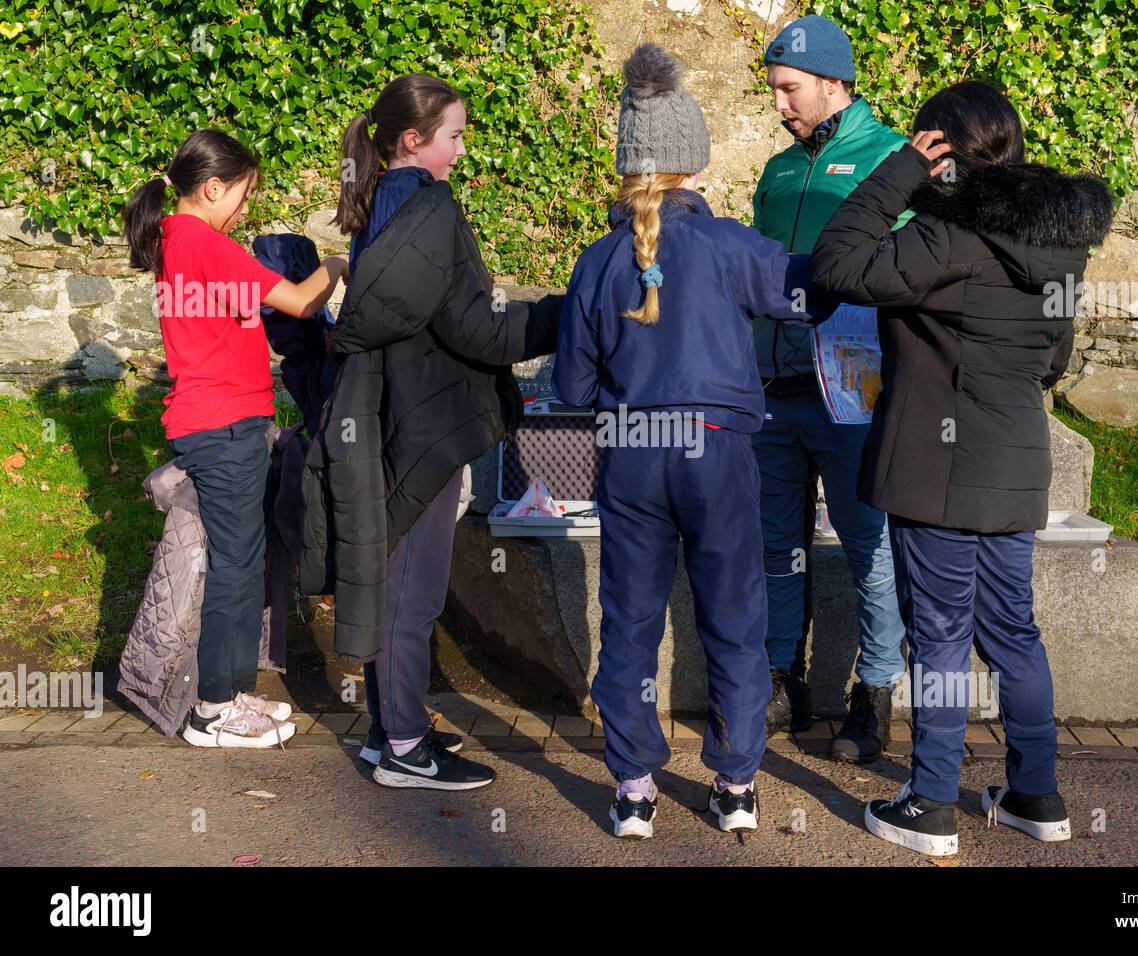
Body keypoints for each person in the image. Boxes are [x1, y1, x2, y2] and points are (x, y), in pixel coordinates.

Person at [809, 81, 1114, 855]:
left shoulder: (945, 241)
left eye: (921, 144)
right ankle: (1035, 796)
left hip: (935, 469)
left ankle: (933, 804)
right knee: (1014, 630)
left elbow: (838, 264)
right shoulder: (1058, 247)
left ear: (938, 151)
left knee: (940, 633)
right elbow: (1053, 358)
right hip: (1015, 463)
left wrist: (897, 175)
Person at [553, 44, 831, 840]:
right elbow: (808, 293)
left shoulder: (598, 260)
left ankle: (635, 790)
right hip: (718, 451)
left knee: (630, 621)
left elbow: (572, 390)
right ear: (694, 163)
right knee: (735, 618)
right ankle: (737, 785)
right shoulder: (732, 245)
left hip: (633, 455)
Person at [304, 74, 563, 789]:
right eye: (453, 136)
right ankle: (404, 749)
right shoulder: (429, 206)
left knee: (399, 582)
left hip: (388, 418)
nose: (459, 152)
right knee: (413, 591)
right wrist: (561, 314)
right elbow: (474, 328)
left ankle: (391, 730)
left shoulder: (381, 202)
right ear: (414, 141)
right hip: (425, 425)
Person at [123, 129, 349, 748]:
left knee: (238, 559)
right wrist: (337, 263)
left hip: (212, 419)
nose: (246, 209)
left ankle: (230, 695)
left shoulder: (174, 241)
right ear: (213, 187)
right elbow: (302, 303)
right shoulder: (207, 245)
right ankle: (214, 709)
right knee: (237, 565)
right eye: (243, 194)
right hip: (226, 423)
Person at [750, 14, 909, 762]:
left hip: (855, 393)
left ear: (832, 81)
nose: (778, 103)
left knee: (868, 544)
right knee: (776, 543)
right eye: (774, 89)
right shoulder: (778, 172)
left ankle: (873, 696)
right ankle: (785, 681)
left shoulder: (891, 160)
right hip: (773, 388)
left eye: (788, 89)